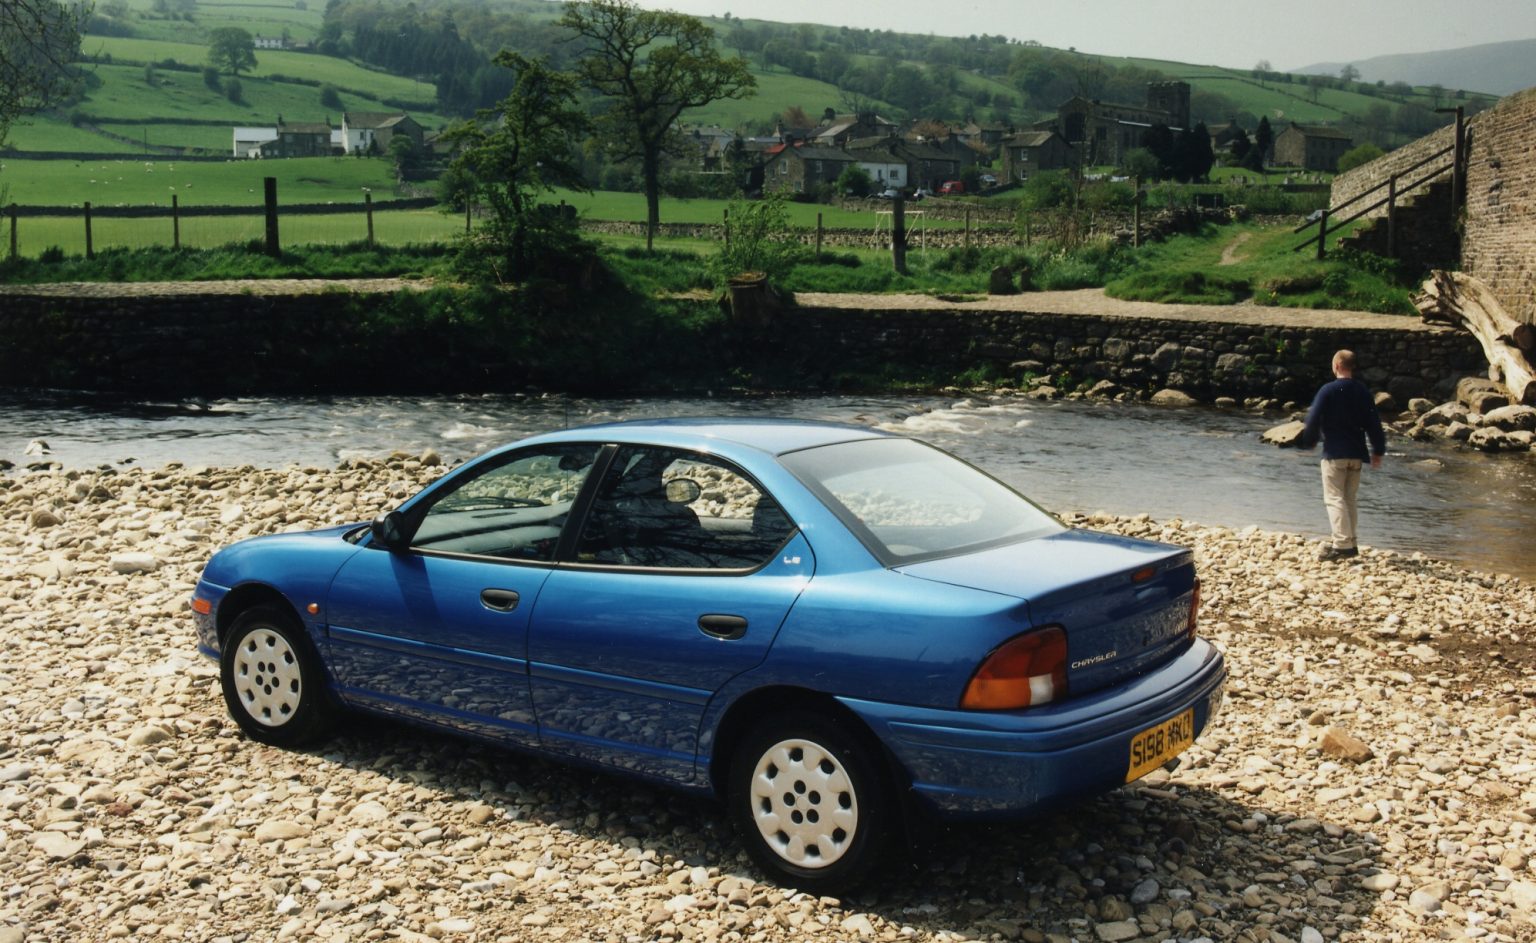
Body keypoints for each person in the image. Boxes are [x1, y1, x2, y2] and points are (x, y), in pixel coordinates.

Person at [1299, 349, 1386, 561]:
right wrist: (1378, 450)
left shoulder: (1328, 390)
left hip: (1335, 452)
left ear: (1337, 365)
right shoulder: (1362, 391)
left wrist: (1309, 442)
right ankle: (1351, 542)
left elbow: (1314, 418)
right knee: (1349, 499)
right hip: (1356, 454)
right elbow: (1374, 423)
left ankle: (1342, 545)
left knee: (1334, 498)